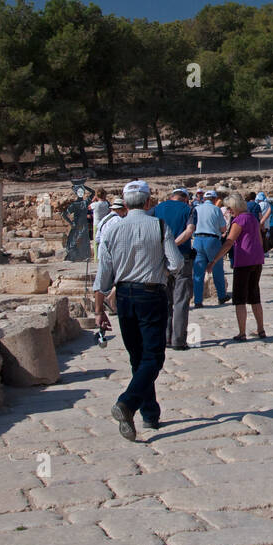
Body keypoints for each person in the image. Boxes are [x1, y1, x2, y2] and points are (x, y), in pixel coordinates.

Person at [94, 182, 184, 441]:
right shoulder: (158, 226)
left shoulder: (111, 229)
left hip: (123, 296)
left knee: (138, 357)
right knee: (153, 357)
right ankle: (127, 403)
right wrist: (162, 271)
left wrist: (99, 311)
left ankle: (149, 414)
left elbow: (103, 277)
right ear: (148, 202)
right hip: (151, 294)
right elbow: (176, 262)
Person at [216, 194, 266, 341]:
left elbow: (229, 242)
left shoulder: (239, 220)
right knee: (255, 296)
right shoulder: (252, 218)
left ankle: (242, 332)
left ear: (235, 207)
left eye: (230, 208)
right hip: (256, 261)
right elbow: (259, 239)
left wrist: (214, 260)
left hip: (243, 261)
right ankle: (261, 329)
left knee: (240, 299)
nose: (229, 211)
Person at [153, 187, 198, 350]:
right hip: (182, 257)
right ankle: (178, 340)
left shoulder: (157, 208)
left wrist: (164, 248)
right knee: (181, 300)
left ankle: (165, 338)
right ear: (185, 199)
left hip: (161, 258)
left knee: (165, 300)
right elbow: (189, 230)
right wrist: (173, 245)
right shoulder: (189, 209)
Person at [191, 190, 230, 308]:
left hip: (198, 239)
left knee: (198, 272)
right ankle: (221, 296)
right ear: (214, 199)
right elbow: (223, 228)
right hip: (212, 240)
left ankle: (198, 300)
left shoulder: (196, 209)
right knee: (217, 268)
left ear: (204, 199)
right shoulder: (216, 209)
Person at [90, 189, 110, 263]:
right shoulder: (106, 203)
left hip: (96, 223)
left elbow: (88, 207)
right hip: (104, 222)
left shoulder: (95, 204)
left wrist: (93, 200)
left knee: (96, 241)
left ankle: (96, 258)